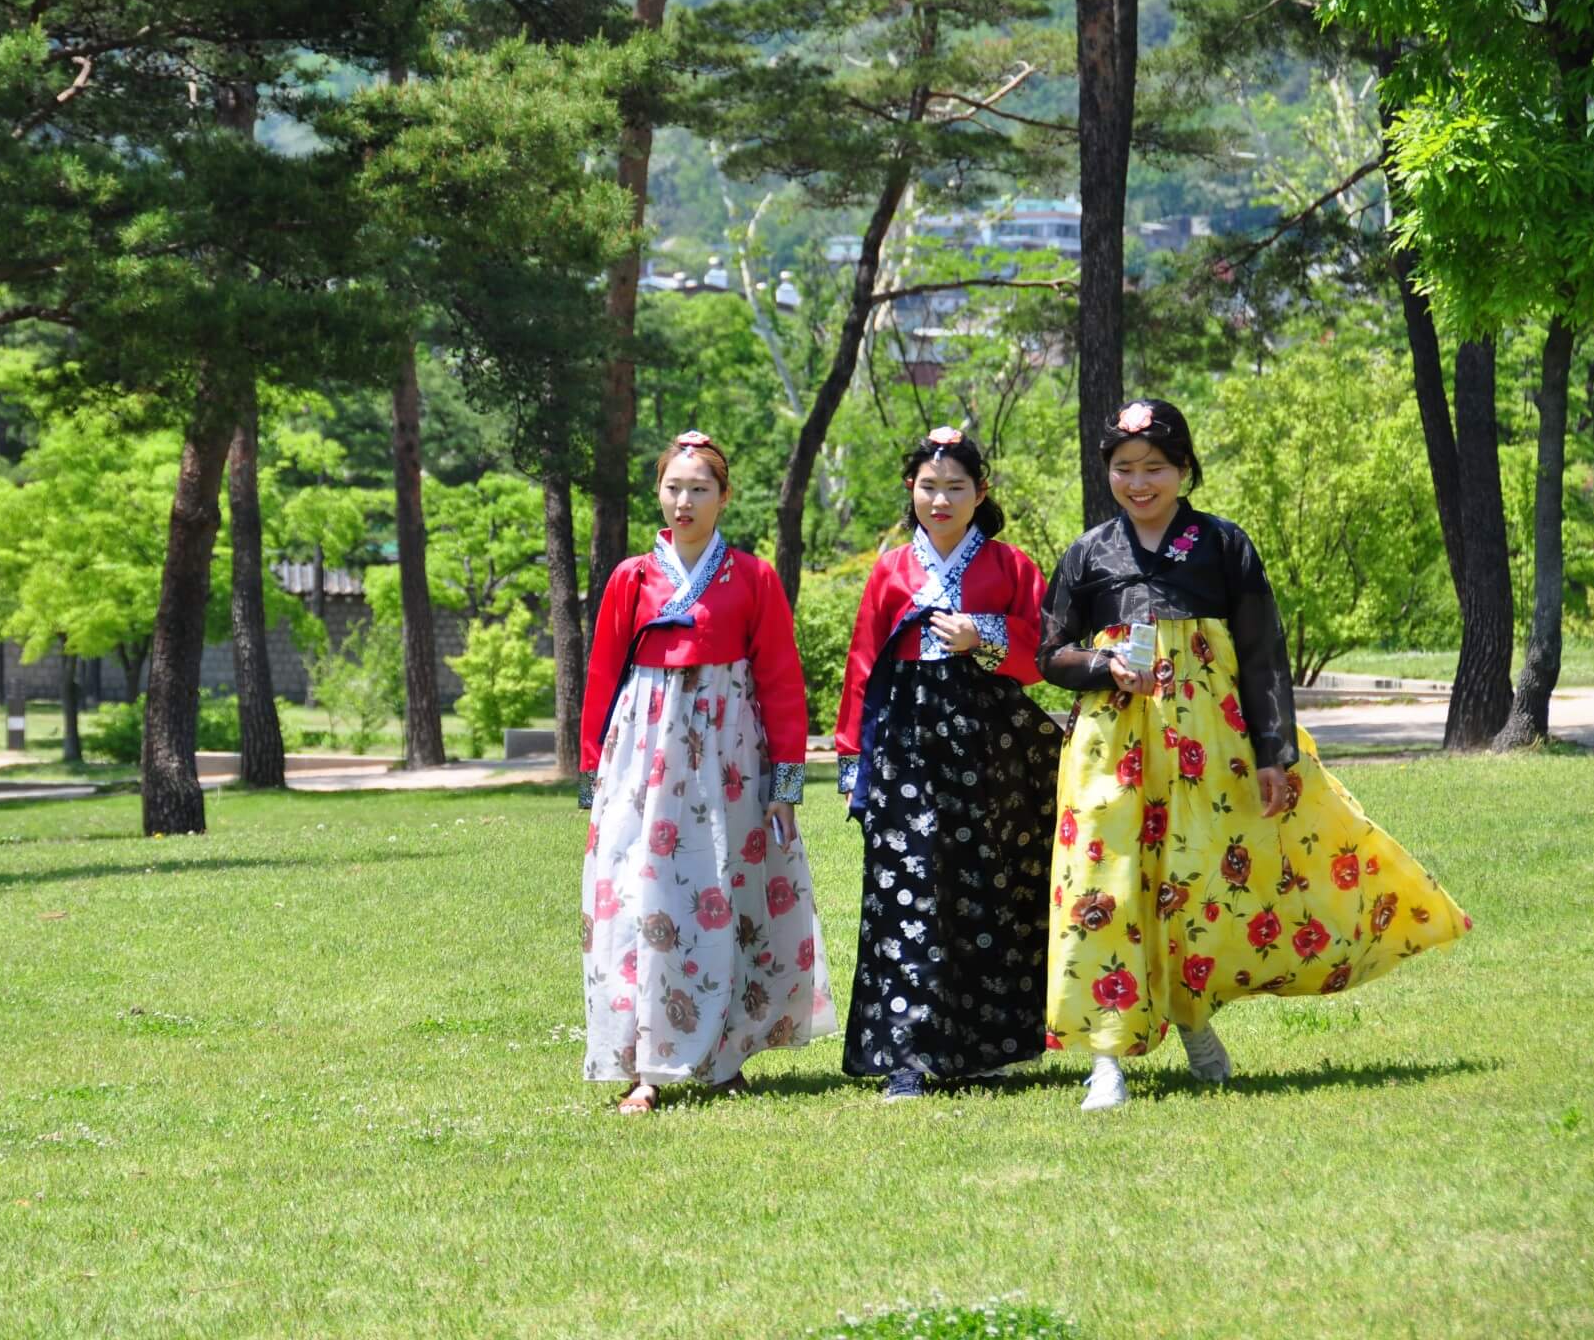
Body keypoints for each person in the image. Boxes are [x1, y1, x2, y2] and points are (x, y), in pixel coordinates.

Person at [1040, 398, 1472, 1111]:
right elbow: (1048, 654)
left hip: (1211, 750)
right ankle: (1107, 1060)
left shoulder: (1223, 545)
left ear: (1185, 470)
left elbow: (1265, 657)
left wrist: (1275, 753)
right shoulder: (1090, 554)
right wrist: (1102, 667)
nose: (1139, 483)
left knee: (1197, 889)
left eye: (1155, 468)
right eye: (1124, 469)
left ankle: (1194, 1021)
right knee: (1104, 887)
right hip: (1112, 750)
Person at [578, 431, 836, 1113]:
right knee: (645, 898)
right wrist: (591, 774)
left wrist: (784, 785)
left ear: (724, 497)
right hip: (644, 761)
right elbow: (604, 676)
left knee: (727, 894)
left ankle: (723, 1057)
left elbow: (781, 681)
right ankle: (647, 1067)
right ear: (658, 494)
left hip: (730, 760)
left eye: (699, 489)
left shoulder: (753, 578)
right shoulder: (630, 578)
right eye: (673, 487)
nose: (684, 501)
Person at [833, 427, 1061, 1100]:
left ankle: (985, 1051)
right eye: (930, 487)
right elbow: (861, 669)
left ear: (980, 493)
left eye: (956, 488)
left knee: (988, 887)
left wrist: (981, 635)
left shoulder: (1011, 567)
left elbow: (1042, 652)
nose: (941, 500)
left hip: (988, 746)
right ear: (912, 490)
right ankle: (907, 1055)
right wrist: (855, 763)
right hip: (907, 744)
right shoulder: (890, 571)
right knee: (907, 889)